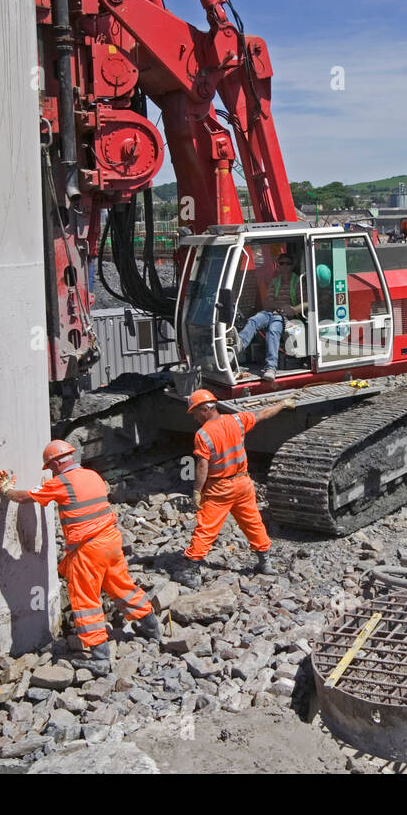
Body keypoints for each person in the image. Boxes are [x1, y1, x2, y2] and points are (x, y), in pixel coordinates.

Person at [0, 440, 160, 677]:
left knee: (86, 599)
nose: (51, 472)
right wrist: (52, 486)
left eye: (51, 468)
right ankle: (152, 627)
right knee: (121, 585)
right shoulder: (92, 475)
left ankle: (100, 657)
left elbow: (23, 498)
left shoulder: (60, 482)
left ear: (55, 464)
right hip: (111, 540)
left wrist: (6, 490)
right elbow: (74, 496)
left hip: (88, 549)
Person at [170, 390, 295, 587]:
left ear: (204, 410)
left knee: (206, 528)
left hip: (219, 488)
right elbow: (262, 414)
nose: (194, 417)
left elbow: (202, 466)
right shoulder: (237, 420)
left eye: (194, 412)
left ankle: (191, 571)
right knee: (253, 522)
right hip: (243, 483)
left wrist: (197, 491)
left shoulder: (203, 434)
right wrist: (282, 404)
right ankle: (265, 562)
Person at [236, 250, 304, 382]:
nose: (284, 267)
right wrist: (280, 306)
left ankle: (271, 368)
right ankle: (238, 347)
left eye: (287, 264)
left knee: (273, 331)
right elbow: (267, 302)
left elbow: (305, 302)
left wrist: (293, 309)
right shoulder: (275, 281)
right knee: (253, 320)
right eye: (281, 264)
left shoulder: (298, 281)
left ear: (292, 265)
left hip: (284, 317)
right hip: (271, 312)